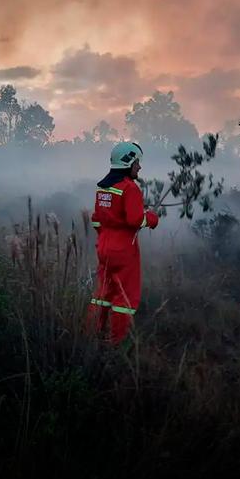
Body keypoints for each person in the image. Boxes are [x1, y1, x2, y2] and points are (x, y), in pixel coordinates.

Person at [88, 141, 159, 345]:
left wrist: (105, 236)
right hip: (123, 251)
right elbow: (135, 220)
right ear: (128, 161)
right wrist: (152, 219)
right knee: (124, 298)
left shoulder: (103, 188)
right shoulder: (130, 188)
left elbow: (96, 219)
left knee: (103, 293)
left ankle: (91, 334)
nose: (139, 166)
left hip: (103, 247)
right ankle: (114, 343)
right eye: (137, 162)